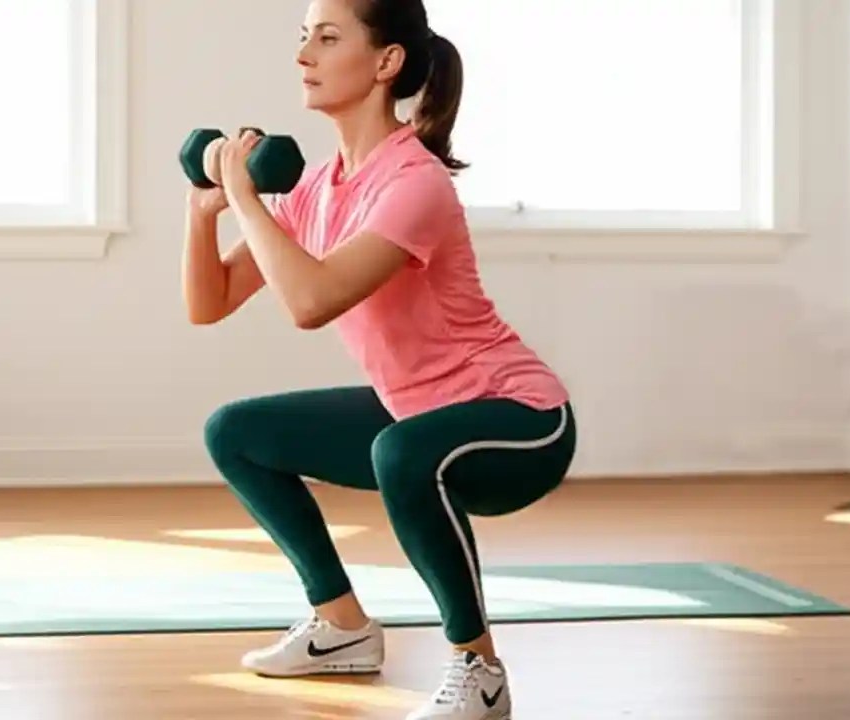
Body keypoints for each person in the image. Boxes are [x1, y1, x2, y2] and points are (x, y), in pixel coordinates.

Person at [181, 1, 576, 718]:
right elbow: (208, 304)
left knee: (402, 452)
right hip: (414, 413)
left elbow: (310, 303)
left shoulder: (414, 183)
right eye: (302, 38)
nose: (304, 54)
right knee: (234, 432)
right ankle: (340, 627)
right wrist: (204, 211)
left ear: (387, 62)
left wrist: (245, 195)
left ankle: (478, 672)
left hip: (520, 419)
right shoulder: (316, 188)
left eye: (328, 38)